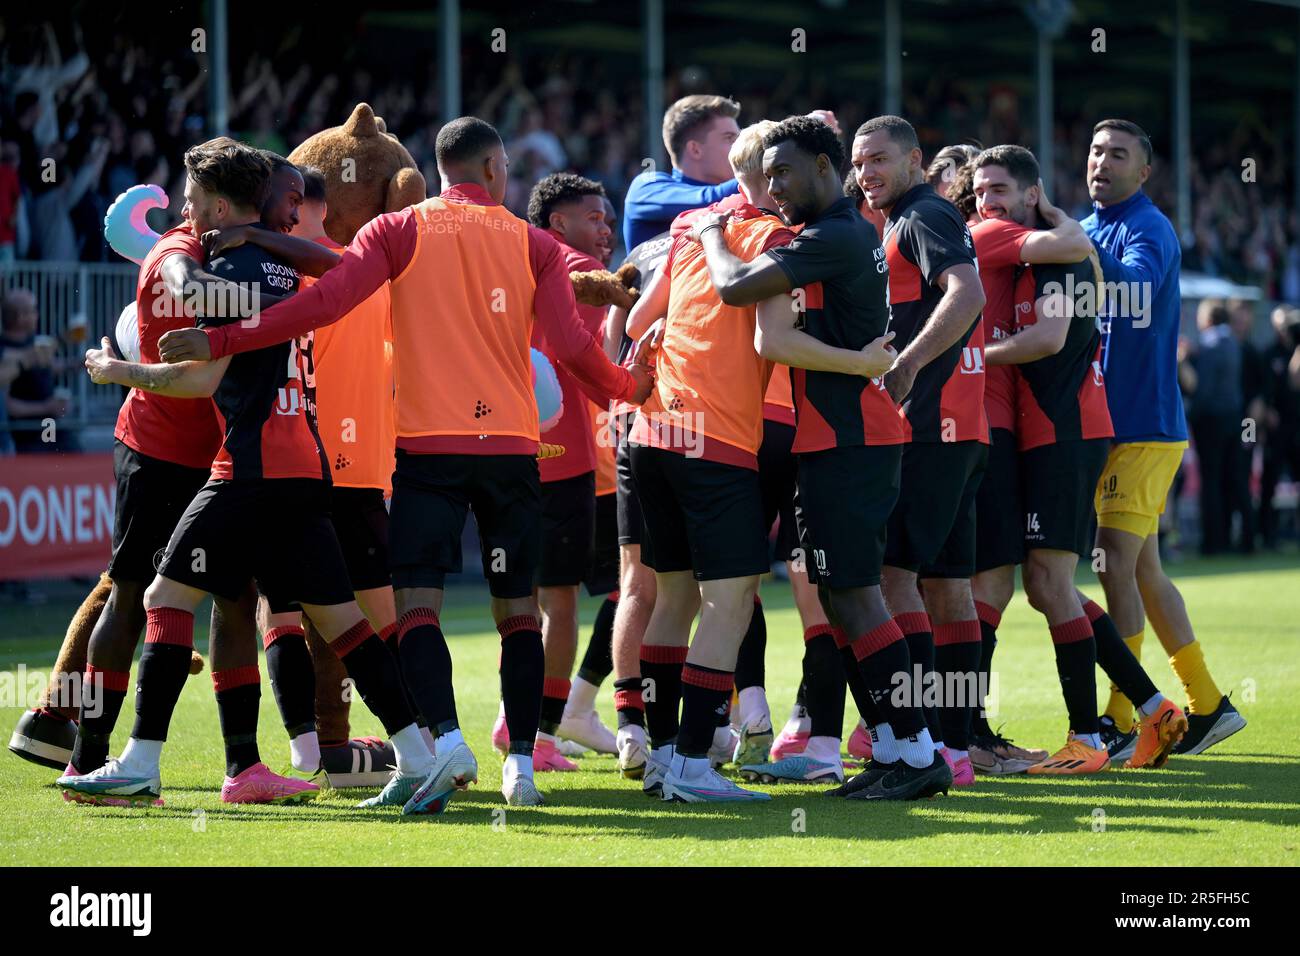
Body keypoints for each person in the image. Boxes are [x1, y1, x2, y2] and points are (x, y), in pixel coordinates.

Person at [157, 117, 652, 808]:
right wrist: (632, 386)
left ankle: (444, 746)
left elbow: (324, 300)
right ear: (494, 170)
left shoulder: (398, 231)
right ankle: (522, 770)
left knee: (417, 610)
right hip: (511, 449)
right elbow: (571, 347)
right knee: (519, 614)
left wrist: (224, 340)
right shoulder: (532, 241)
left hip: (427, 452)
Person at [63, 138, 434, 809]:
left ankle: (138, 762)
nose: (184, 207)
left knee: (161, 600)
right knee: (345, 621)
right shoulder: (283, 269)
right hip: (305, 464)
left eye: (194, 198)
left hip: (250, 467)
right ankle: (419, 753)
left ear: (225, 206)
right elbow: (335, 272)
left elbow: (199, 375)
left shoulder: (233, 263)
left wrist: (119, 372)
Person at [690, 115, 951, 800]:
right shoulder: (845, 232)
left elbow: (735, 287)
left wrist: (713, 232)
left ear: (824, 169)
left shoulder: (832, 235)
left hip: (850, 442)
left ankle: (917, 751)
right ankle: (898, 747)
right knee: (843, 598)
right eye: (767, 174)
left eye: (784, 172)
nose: (772, 186)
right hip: (845, 439)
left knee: (858, 597)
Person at [973, 145, 1187, 773]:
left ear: (1032, 195)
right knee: (1045, 585)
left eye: (1002, 191)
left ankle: (1090, 739)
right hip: (1046, 436)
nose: (989, 203)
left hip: (1066, 434)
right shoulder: (1029, 255)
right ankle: (1152, 708)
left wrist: (968, 357)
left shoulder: (1060, 259)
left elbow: (1048, 337)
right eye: (982, 192)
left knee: (1049, 583)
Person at [1081, 119, 1246, 756]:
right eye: (1096, 151)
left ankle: (1125, 719)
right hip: (1113, 424)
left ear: (1143, 172)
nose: (1103, 162)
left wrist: (1075, 247)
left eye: (1119, 154)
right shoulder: (1087, 226)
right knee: (1144, 570)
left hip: (1142, 425)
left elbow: (1137, 291)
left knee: (1113, 563)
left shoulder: (1148, 226)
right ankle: (1206, 706)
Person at [851, 115, 988, 787]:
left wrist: (904, 365)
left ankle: (922, 740)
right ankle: (956, 746)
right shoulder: (911, 219)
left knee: (893, 580)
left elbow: (968, 293)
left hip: (928, 427)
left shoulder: (921, 217)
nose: (867, 171)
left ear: (915, 160)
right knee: (948, 587)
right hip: (964, 429)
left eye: (880, 158)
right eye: (858, 162)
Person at [621, 95, 743, 251]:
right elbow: (709, 198)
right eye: (730, 139)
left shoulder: (741, 197)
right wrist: (759, 171)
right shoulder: (646, 187)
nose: (741, 146)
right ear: (695, 149)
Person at [1187, 299, 1242, 556]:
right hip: (1234, 419)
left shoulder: (1210, 346)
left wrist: (1191, 416)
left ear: (1207, 319)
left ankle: (1213, 543)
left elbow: (1203, 390)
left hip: (1210, 421)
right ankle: (1242, 540)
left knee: (1211, 483)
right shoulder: (1233, 344)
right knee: (1232, 479)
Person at [1, 289, 77, 452]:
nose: (37, 315)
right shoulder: (5, 351)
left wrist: (78, 364)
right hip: (26, 432)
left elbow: (46, 366)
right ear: (21, 316)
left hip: (47, 427)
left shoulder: (31, 343)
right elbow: (7, 404)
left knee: (72, 451)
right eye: (33, 310)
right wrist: (47, 407)